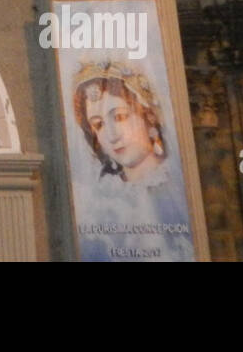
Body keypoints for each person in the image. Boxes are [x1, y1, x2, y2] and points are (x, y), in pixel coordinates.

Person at [71, 59, 194, 260]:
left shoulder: (179, 183)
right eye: (99, 125)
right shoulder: (99, 204)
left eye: (119, 117)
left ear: (149, 117)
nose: (111, 135)